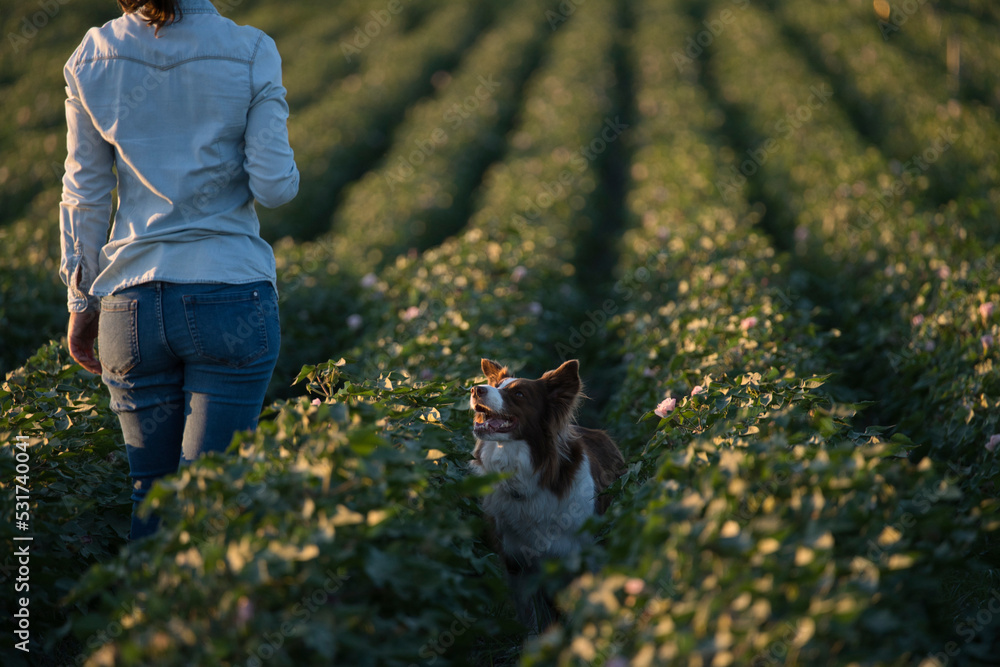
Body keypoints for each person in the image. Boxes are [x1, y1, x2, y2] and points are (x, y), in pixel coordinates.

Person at [60, 0, 299, 541]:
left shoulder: (93, 54)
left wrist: (81, 302)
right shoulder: (250, 49)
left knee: (151, 495)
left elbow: (85, 194)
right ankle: (208, 617)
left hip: (130, 304)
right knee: (209, 500)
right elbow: (275, 186)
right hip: (229, 293)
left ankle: (145, 617)